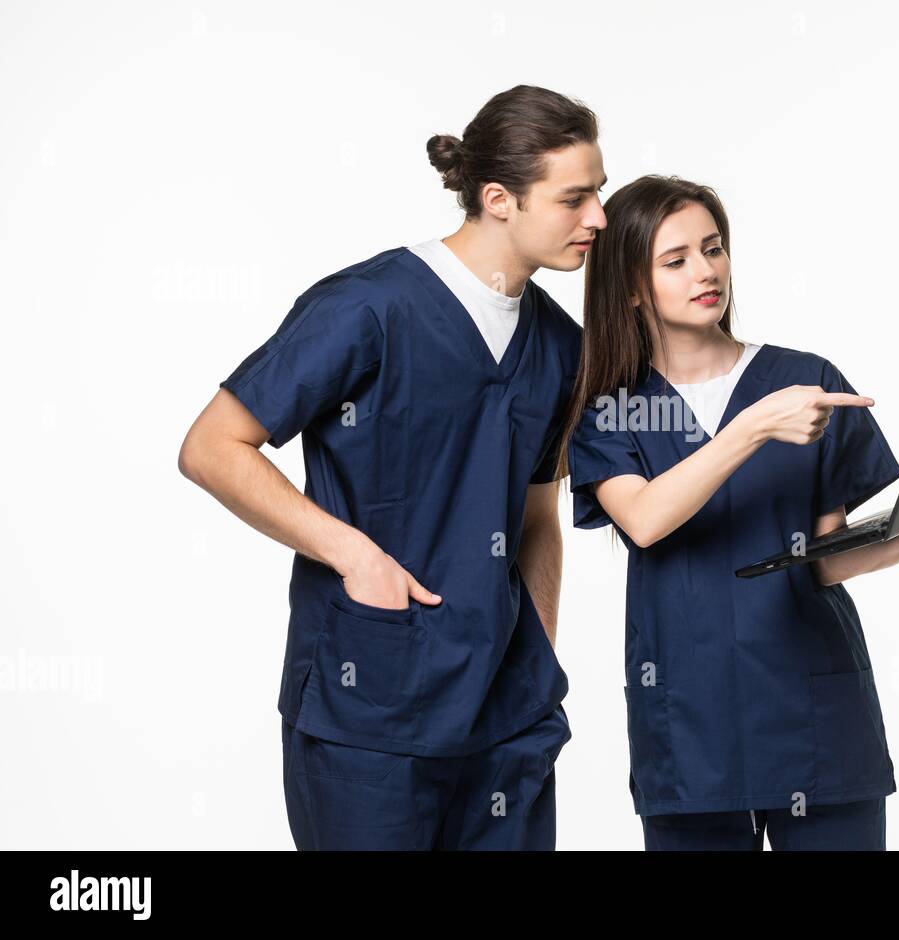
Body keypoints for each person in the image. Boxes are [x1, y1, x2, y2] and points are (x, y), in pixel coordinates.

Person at [178, 85, 607, 850]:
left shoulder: (561, 349)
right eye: (575, 199)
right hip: (367, 711)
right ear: (499, 198)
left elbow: (538, 517)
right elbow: (212, 447)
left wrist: (533, 649)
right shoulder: (368, 307)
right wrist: (353, 554)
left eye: (599, 194)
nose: (598, 219)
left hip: (507, 721)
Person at [561, 175, 899, 851]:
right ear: (633, 286)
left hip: (814, 716)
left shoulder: (805, 378)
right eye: (676, 260)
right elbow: (643, 520)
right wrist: (754, 426)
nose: (706, 271)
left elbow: (825, 561)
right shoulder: (613, 408)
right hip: (690, 728)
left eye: (714, 248)